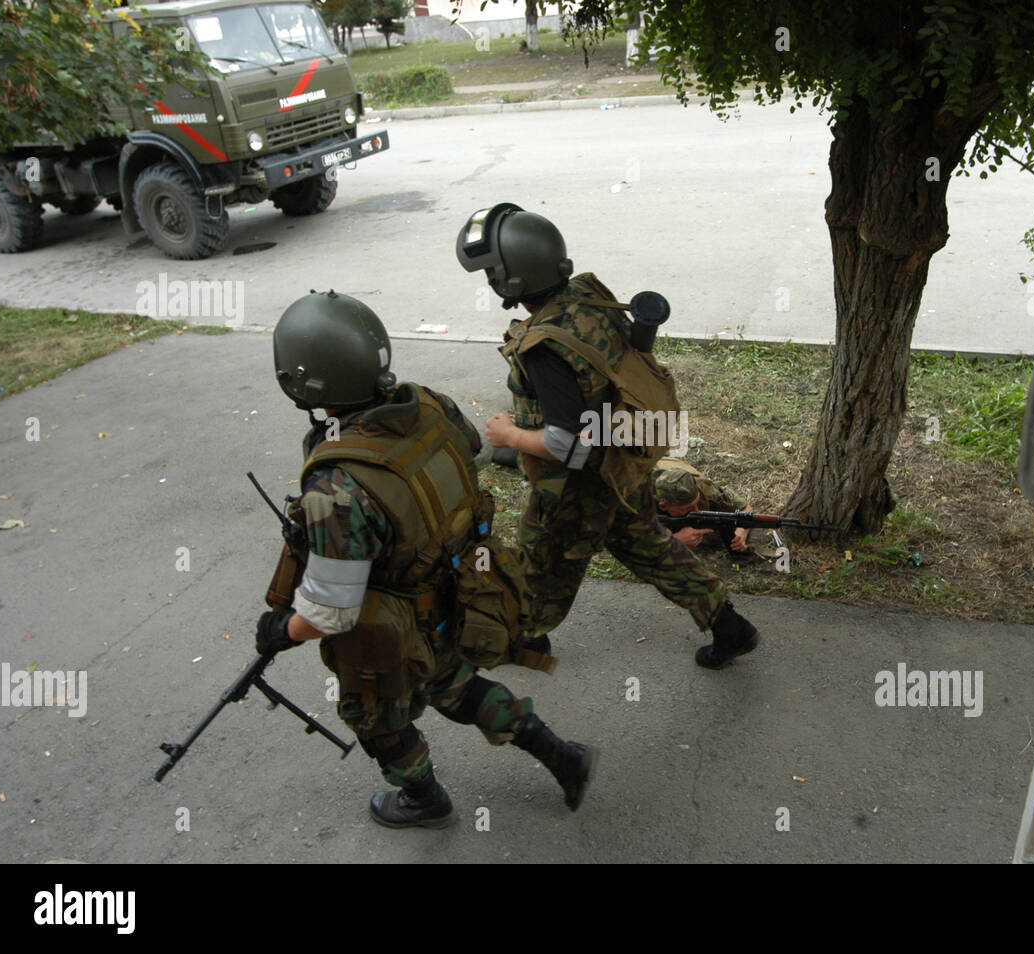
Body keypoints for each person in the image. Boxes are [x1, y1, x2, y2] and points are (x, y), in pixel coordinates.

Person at [254, 289, 595, 828]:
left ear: (301, 380)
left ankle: (423, 798)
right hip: (456, 593)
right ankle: (559, 753)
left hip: (394, 624)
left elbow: (331, 611)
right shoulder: (429, 404)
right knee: (451, 682)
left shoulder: (335, 486)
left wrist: (281, 630)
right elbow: (472, 452)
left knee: (373, 716)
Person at [455, 202, 761, 669]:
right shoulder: (585, 298)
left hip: (574, 484)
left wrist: (510, 435)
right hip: (621, 463)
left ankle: (530, 640)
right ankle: (729, 625)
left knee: (541, 556)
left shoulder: (543, 347)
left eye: (492, 272)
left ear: (510, 280)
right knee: (647, 546)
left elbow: (565, 443)